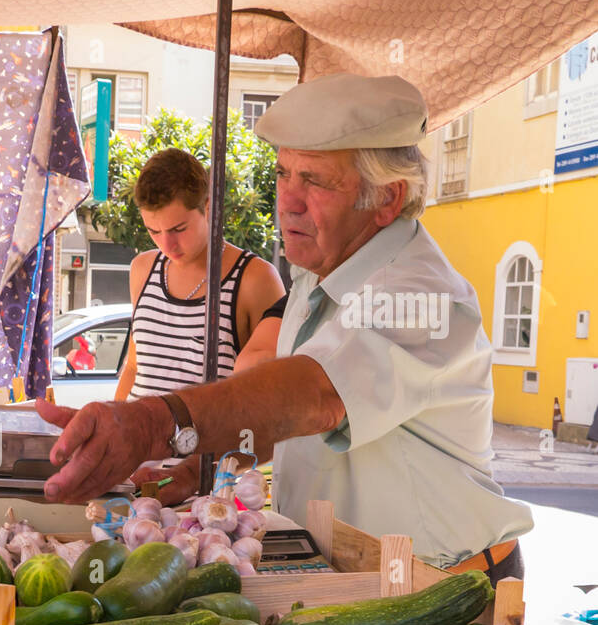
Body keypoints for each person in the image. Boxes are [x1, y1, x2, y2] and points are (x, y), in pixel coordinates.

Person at [38, 73, 532, 585]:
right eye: (283, 174)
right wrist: (197, 471)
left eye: (315, 180)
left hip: (446, 585)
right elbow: (290, 422)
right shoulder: (315, 277)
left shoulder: (420, 294)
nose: (288, 201)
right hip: (364, 579)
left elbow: (316, 395)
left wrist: (154, 422)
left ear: (388, 197)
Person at [115, 148, 285, 402]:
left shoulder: (256, 279)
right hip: (135, 436)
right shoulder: (142, 269)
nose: (166, 244)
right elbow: (134, 367)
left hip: (212, 439)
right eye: (153, 231)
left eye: (178, 229)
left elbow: (277, 385)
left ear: (208, 207)